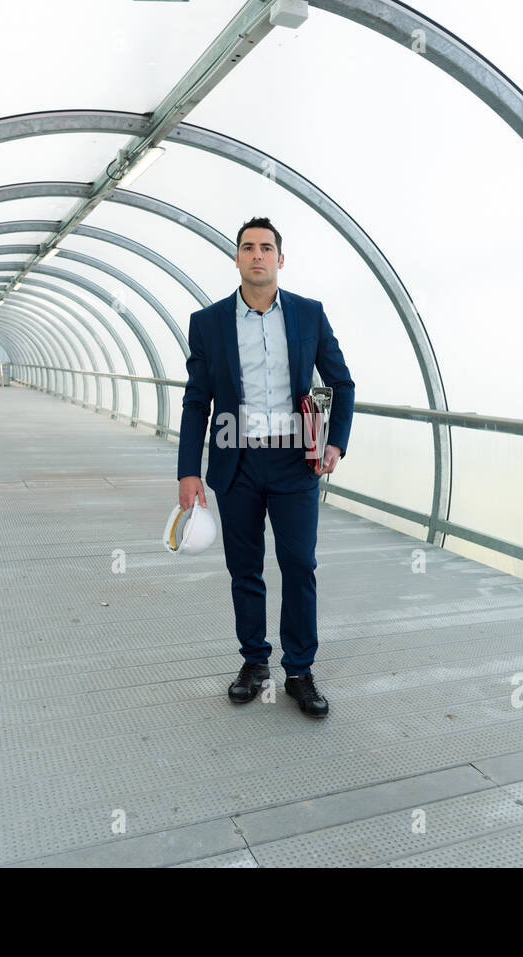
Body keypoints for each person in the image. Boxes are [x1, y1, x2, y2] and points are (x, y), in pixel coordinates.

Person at [176, 216, 354, 718]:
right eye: (248, 247)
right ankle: (255, 663)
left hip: (296, 462)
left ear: (280, 258)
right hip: (237, 461)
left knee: (300, 564)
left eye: (267, 248)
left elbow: (343, 383)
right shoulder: (208, 322)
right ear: (236, 258)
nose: (258, 255)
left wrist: (336, 442)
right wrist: (188, 470)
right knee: (244, 568)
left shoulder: (309, 315)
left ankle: (300, 670)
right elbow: (197, 402)